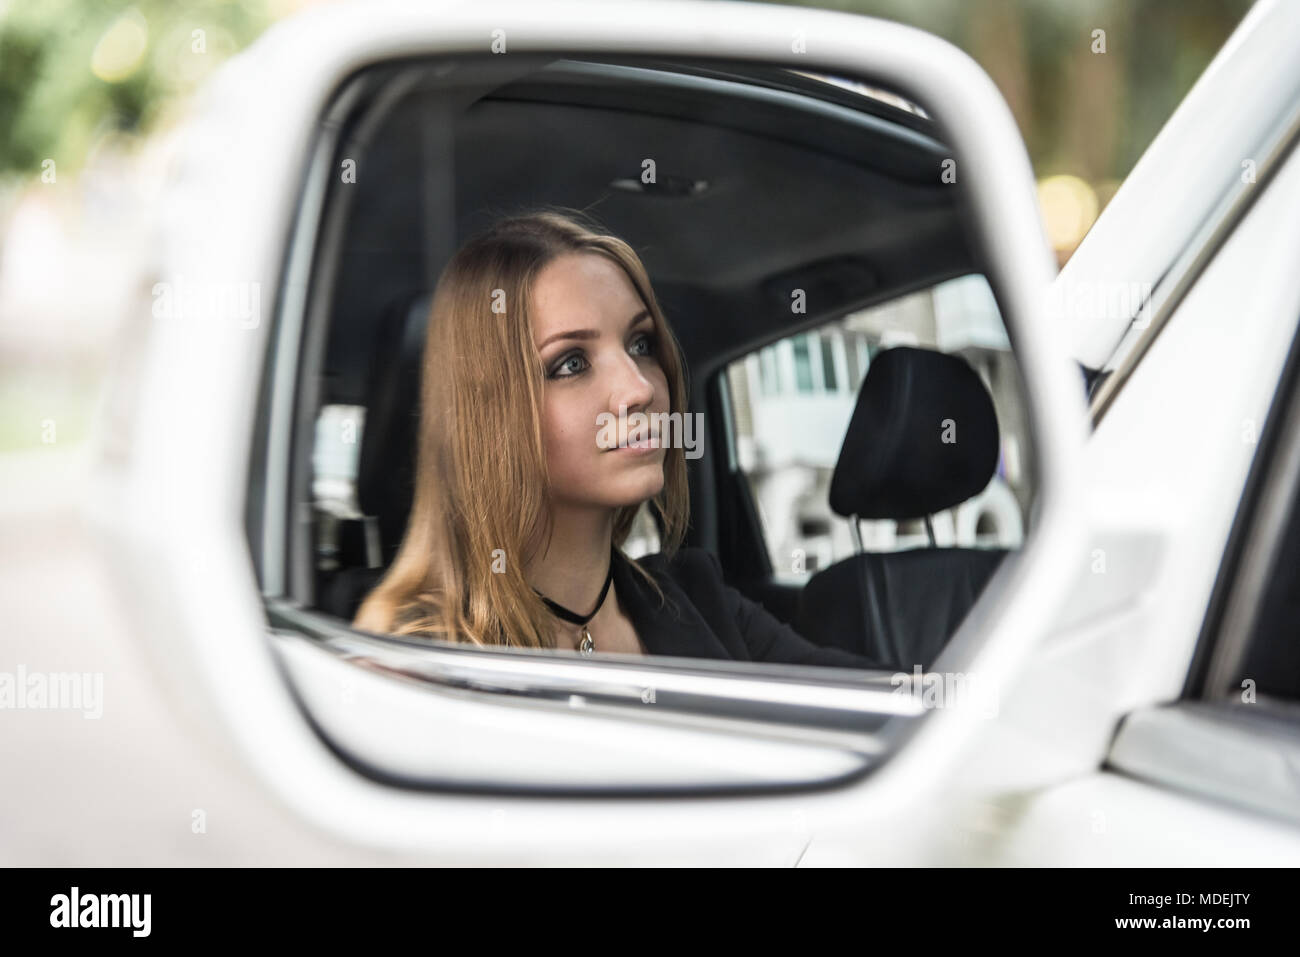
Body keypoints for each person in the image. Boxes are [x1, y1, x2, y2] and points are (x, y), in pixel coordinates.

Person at [352, 208, 876, 669]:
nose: (639, 386)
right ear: (487, 414)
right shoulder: (417, 650)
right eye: (571, 363)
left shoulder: (698, 600)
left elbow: (881, 707)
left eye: (641, 343)